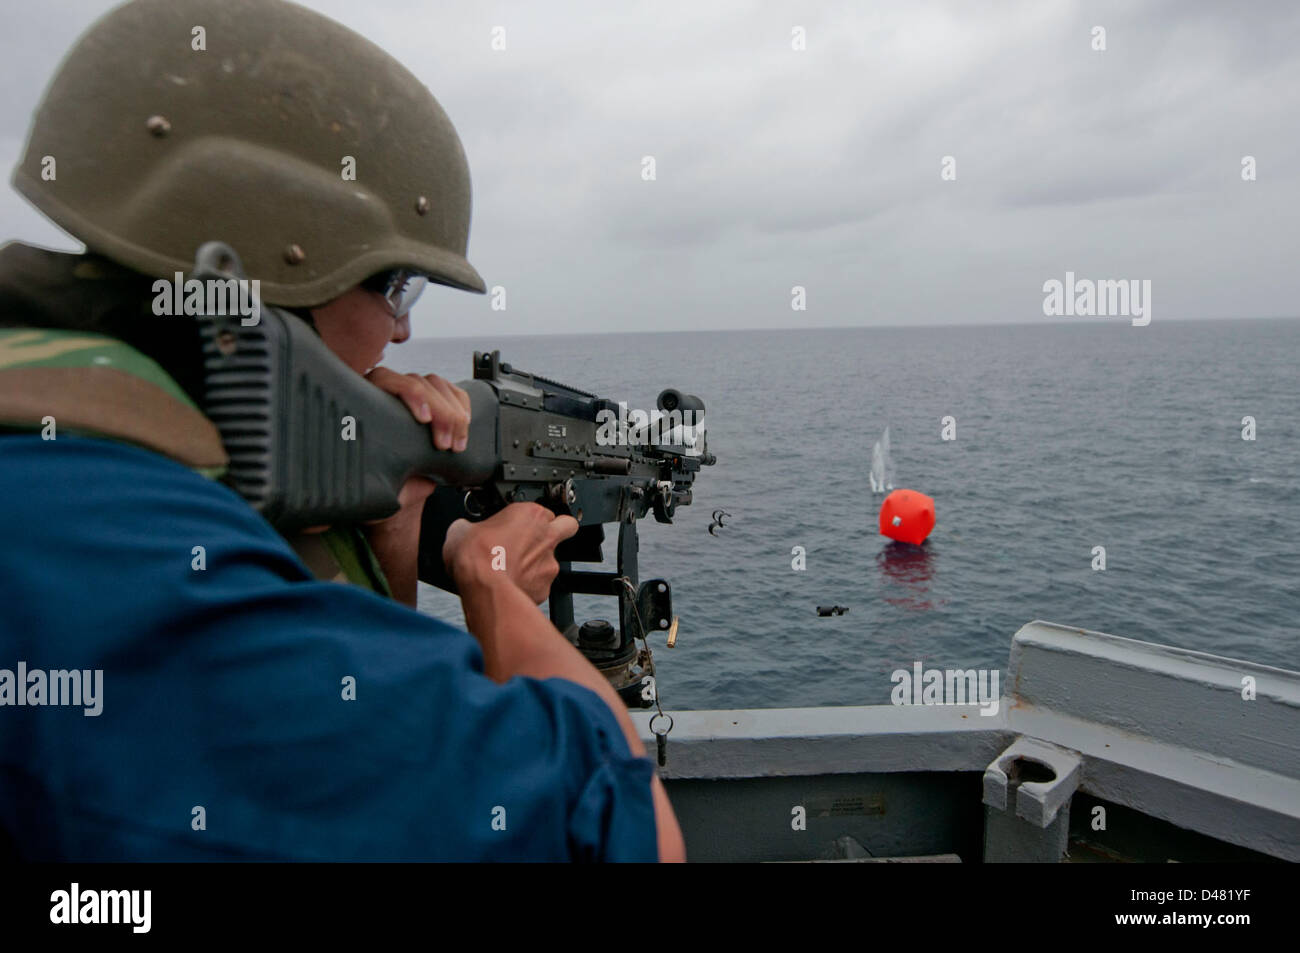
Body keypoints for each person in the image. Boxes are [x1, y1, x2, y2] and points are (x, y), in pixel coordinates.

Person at [0, 0, 685, 862]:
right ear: (278, 263)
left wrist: (394, 532)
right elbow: (619, 831)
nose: (402, 335)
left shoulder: (66, 439)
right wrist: (497, 591)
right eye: (396, 288)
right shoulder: (115, 545)